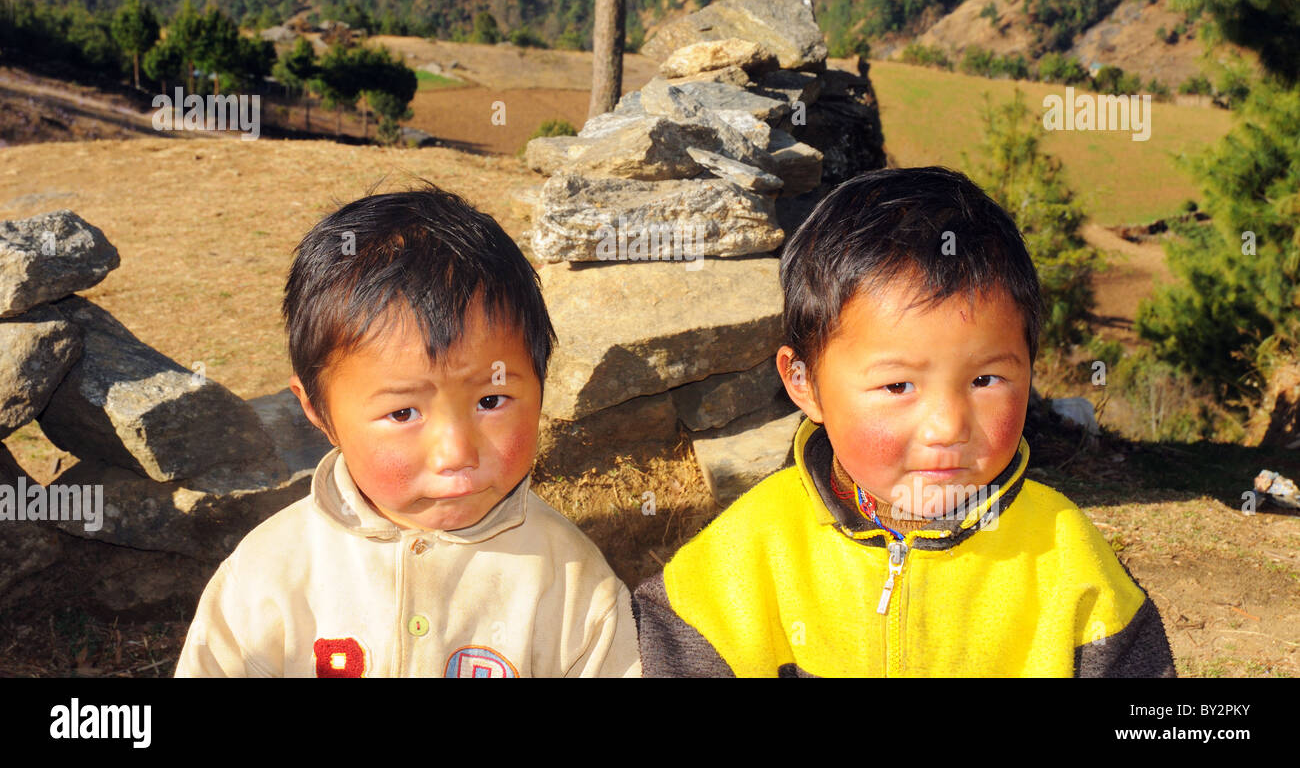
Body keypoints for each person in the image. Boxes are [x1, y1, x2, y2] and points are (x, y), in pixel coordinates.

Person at [632, 166, 1175, 677]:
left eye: (985, 381)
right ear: (804, 384)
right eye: (898, 386)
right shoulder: (752, 552)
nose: (947, 427)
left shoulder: (1066, 557)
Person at [176, 181, 640, 677]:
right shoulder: (265, 577)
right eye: (403, 414)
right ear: (318, 413)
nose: (455, 453)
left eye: (491, 400)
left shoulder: (575, 588)